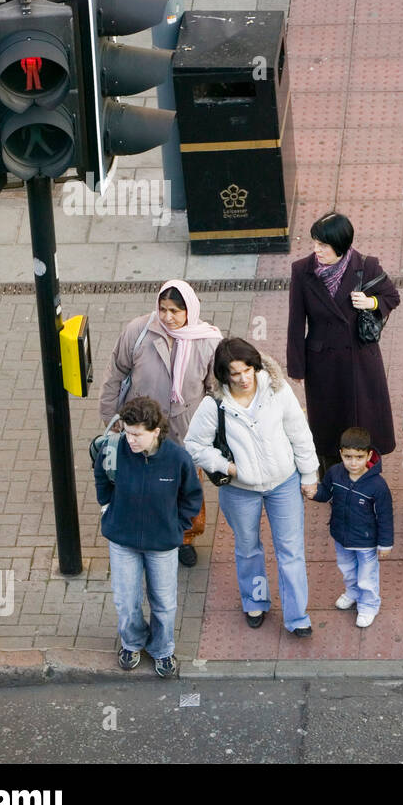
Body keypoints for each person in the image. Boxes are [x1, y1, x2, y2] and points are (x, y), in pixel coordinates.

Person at [185, 339, 319, 637]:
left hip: (284, 483)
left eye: (248, 370)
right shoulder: (213, 405)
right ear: (223, 375)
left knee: (291, 551)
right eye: (235, 374)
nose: (245, 378)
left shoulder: (276, 389)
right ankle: (254, 601)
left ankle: (297, 617)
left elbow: (299, 431)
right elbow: (194, 445)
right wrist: (227, 467)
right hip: (239, 489)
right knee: (247, 549)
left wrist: (309, 474)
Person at [98, 280, 222, 568]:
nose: (168, 317)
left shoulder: (209, 341)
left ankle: (185, 536)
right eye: (163, 309)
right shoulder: (138, 331)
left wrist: (211, 431)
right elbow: (115, 373)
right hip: (140, 424)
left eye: (176, 311)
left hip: (184, 427)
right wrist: (110, 415)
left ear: (189, 311)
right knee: (139, 478)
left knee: (186, 481)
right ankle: (138, 531)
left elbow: (213, 390)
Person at [94, 396, 203, 679]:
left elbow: (191, 496)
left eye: (137, 434)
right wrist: (107, 507)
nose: (131, 440)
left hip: (163, 543)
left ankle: (162, 648)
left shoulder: (178, 459)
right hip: (122, 540)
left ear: (156, 431)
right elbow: (101, 479)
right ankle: (132, 643)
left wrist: (176, 526)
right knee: (125, 601)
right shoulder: (114, 449)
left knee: (164, 603)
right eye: (128, 432)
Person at [288, 211, 401, 473]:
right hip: (322, 360)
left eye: (323, 245)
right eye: (315, 243)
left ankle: (368, 472)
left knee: (364, 417)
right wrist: (297, 366)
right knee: (327, 422)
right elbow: (296, 320)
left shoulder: (366, 265)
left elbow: (391, 296)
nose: (316, 250)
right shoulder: (302, 270)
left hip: (360, 358)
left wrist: (371, 302)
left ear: (341, 246)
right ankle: (331, 474)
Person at [312, 427, 394, 629]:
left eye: (359, 457)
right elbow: (327, 493)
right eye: (348, 457)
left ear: (369, 455)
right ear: (341, 454)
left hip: (366, 541)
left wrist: (385, 544)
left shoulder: (377, 486)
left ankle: (368, 605)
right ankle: (353, 592)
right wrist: (314, 492)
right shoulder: (335, 473)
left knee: (367, 575)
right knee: (347, 569)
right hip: (341, 536)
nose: (353, 462)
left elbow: (385, 516)